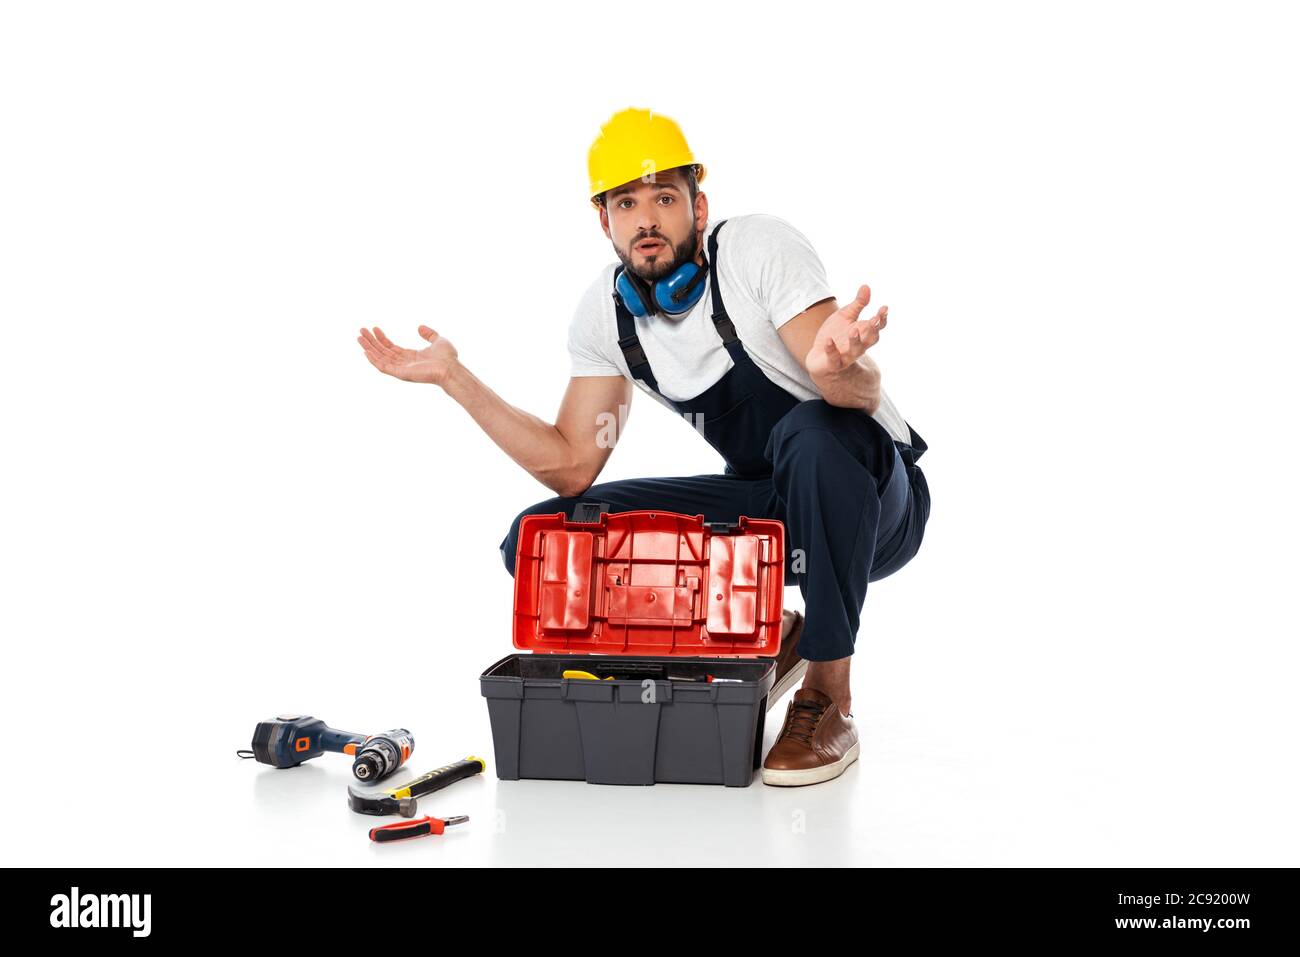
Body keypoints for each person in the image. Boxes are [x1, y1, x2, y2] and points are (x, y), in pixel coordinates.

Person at [357, 107, 930, 787]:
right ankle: (761, 628)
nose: (646, 219)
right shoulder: (606, 315)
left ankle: (829, 692)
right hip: (776, 508)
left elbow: (848, 389)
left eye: (664, 197)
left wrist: (842, 374)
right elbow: (570, 464)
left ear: (699, 204)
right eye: (627, 202)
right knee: (546, 535)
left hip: (872, 500)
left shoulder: (756, 252)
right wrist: (456, 379)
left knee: (811, 431)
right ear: (605, 220)